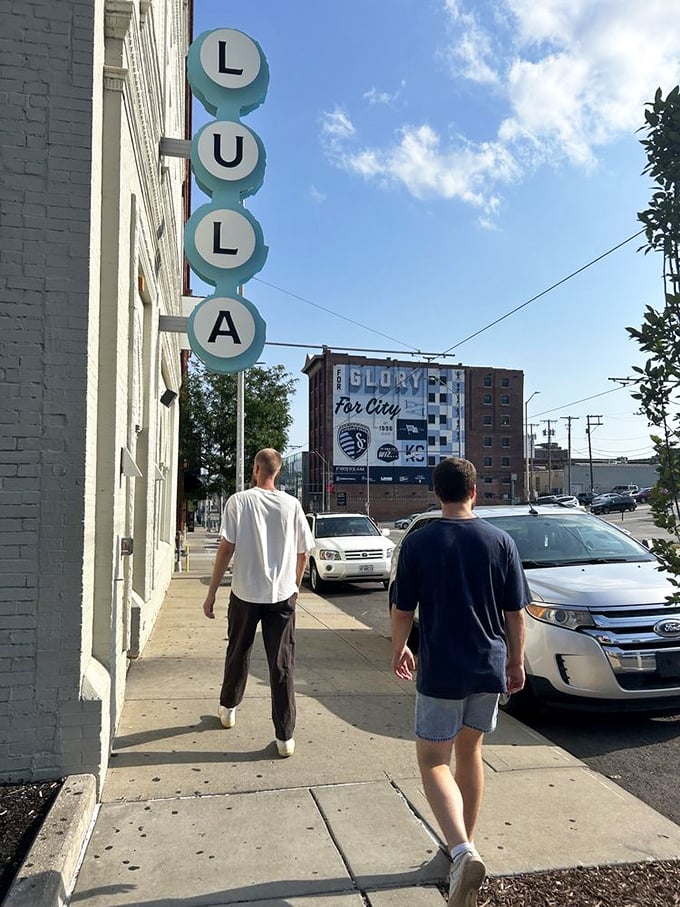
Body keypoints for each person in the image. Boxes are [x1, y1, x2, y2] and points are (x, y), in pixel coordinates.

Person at [391, 457, 528, 907]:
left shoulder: (420, 542)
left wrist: (399, 647)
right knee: (470, 753)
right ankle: (459, 851)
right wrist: (516, 663)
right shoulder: (500, 541)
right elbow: (515, 613)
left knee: (433, 760)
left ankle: (463, 852)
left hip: (442, 667)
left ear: (437, 493)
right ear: (475, 492)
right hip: (487, 665)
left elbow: (402, 607)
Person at [202, 448, 314, 758]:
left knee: (238, 652)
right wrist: (294, 585)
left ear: (255, 469)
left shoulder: (238, 501)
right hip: (281, 594)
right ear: (277, 472)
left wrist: (212, 592)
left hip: (244, 593)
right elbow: (303, 552)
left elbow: (226, 550)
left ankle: (228, 708)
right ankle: (285, 737)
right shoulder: (292, 506)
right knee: (282, 665)